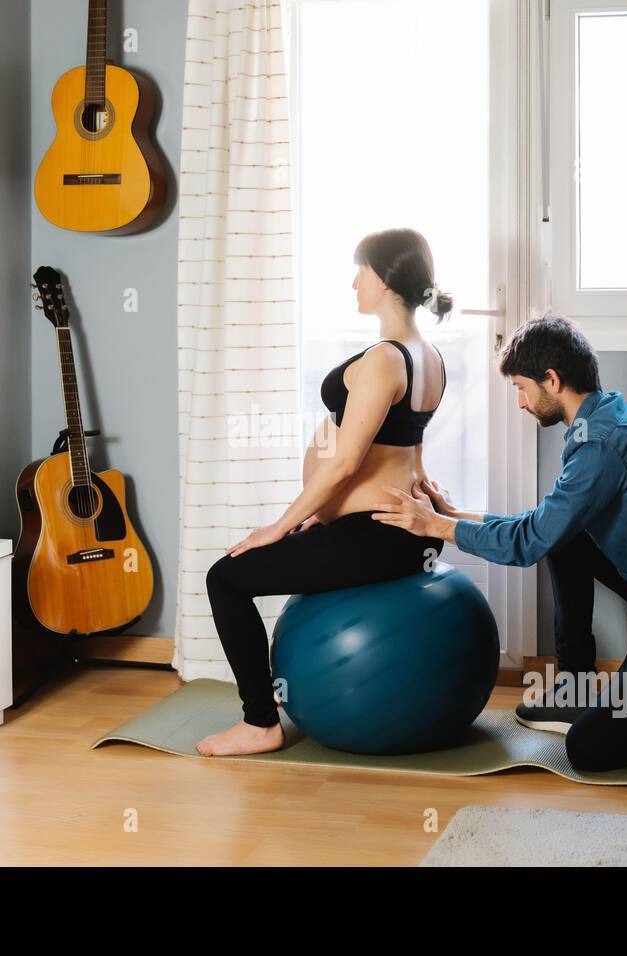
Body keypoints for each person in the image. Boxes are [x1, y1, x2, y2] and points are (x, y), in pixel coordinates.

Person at [371, 313, 627, 771]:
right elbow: (548, 525)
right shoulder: (609, 414)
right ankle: (576, 682)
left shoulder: (600, 444)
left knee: (589, 749)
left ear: (552, 380)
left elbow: (528, 543)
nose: (520, 403)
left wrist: (432, 527)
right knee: (567, 539)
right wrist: (454, 514)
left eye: (521, 388)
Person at [196, 228, 452, 757]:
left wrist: (279, 527)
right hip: (397, 531)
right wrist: (325, 518)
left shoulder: (385, 358)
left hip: (379, 535)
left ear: (382, 279)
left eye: (360, 270)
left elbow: (342, 466)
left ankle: (259, 723)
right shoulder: (428, 356)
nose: (353, 281)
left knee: (225, 578)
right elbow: (409, 451)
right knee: (239, 572)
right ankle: (261, 719)